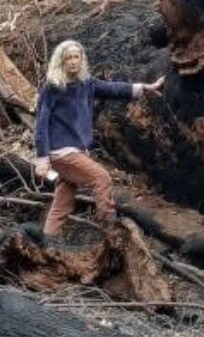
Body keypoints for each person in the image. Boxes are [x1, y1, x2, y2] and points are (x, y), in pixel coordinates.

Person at [33, 39, 163, 239]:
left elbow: (115, 89)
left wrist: (146, 87)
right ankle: (109, 230)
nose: (73, 62)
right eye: (68, 58)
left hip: (77, 150)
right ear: (61, 61)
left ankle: (47, 240)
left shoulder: (87, 84)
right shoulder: (52, 88)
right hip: (61, 152)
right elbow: (41, 124)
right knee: (101, 178)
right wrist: (42, 158)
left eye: (77, 57)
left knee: (64, 197)